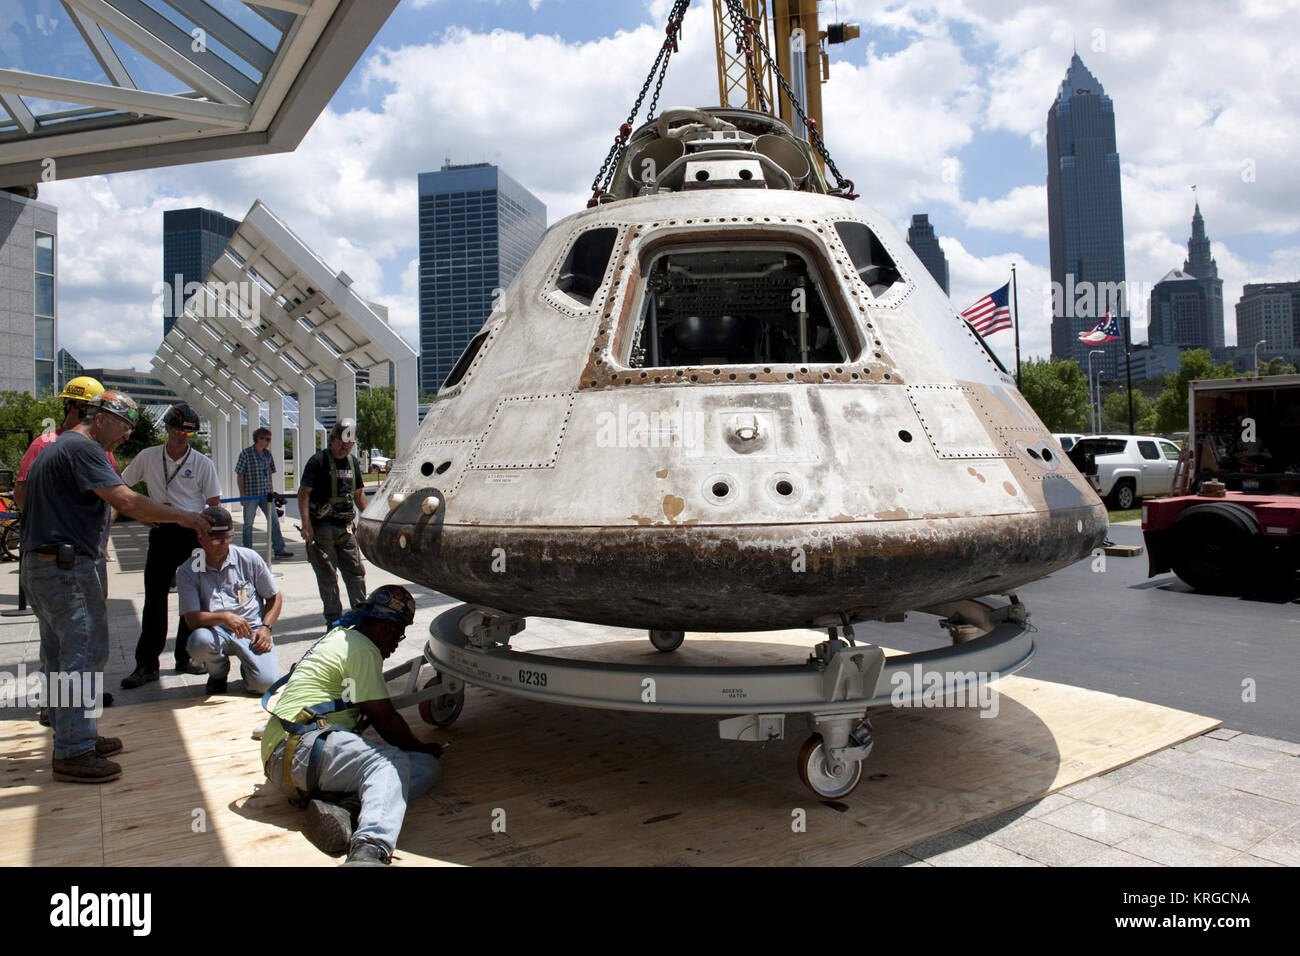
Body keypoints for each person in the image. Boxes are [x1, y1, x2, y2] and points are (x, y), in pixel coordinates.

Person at [21, 392, 211, 783]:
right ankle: (74, 750)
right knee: (83, 653)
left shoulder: (59, 447)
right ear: (102, 417)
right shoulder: (84, 449)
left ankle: (72, 733)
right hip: (66, 568)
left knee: (58, 655)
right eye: (124, 426)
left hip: (43, 565)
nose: (126, 436)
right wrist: (186, 517)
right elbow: (128, 500)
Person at [261, 585, 443, 866]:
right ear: (383, 626)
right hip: (300, 749)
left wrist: (422, 756)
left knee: (424, 768)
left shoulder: (341, 637)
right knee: (389, 763)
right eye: (398, 632)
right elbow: (386, 720)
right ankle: (369, 849)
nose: (397, 642)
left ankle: (346, 808)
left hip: (285, 759)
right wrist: (423, 746)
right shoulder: (362, 649)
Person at [14, 375, 117, 721]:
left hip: (83, 553)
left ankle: (72, 711)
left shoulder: (95, 448)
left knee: (73, 639)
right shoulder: (51, 444)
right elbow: (23, 495)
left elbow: (107, 498)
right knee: (73, 641)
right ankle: (69, 724)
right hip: (63, 557)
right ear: (77, 408)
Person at [120, 402, 222, 689]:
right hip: (162, 532)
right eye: (178, 431)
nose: (182, 438)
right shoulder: (149, 456)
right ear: (167, 428)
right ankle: (146, 665)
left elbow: (213, 504)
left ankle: (184, 657)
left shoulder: (202, 463)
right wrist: (140, 514)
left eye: (188, 435)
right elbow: (122, 487)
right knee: (155, 598)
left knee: (192, 598)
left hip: (192, 534)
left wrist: (212, 541)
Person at [178, 505, 283, 696]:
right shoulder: (189, 570)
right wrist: (224, 617)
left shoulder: (249, 558)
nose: (223, 545)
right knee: (198, 642)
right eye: (216, 540)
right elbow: (192, 619)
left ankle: (250, 667)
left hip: (251, 630)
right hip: (216, 632)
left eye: (227, 539)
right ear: (200, 538)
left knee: (265, 685)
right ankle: (218, 672)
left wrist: (266, 628)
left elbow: (275, 597)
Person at [298, 419, 368, 628]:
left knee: (356, 572)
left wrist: (370, 516)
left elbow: (358, 493)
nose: (346, 447)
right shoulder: (317, 461)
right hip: (322, 528)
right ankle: (334, 620)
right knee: (327, 576)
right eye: (342, 442)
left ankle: (361, 615)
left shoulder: (352, 463)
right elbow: (304, 494)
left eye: (350, 443)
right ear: (333, 439)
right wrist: (306, 525)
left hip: (346, 528)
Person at [235, 427, 292, 558]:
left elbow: (270, 474)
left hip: (266, 495)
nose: (268, 442)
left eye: (269, 439)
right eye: (266, 439)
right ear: (258, 439)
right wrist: (242, 495)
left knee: (274, 521)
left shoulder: (267, 455)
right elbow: (240, 475)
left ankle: (279, 548)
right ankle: (248, 551)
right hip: (251, 495)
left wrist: (271, 491)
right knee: (248, 524)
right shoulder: (246, 453)